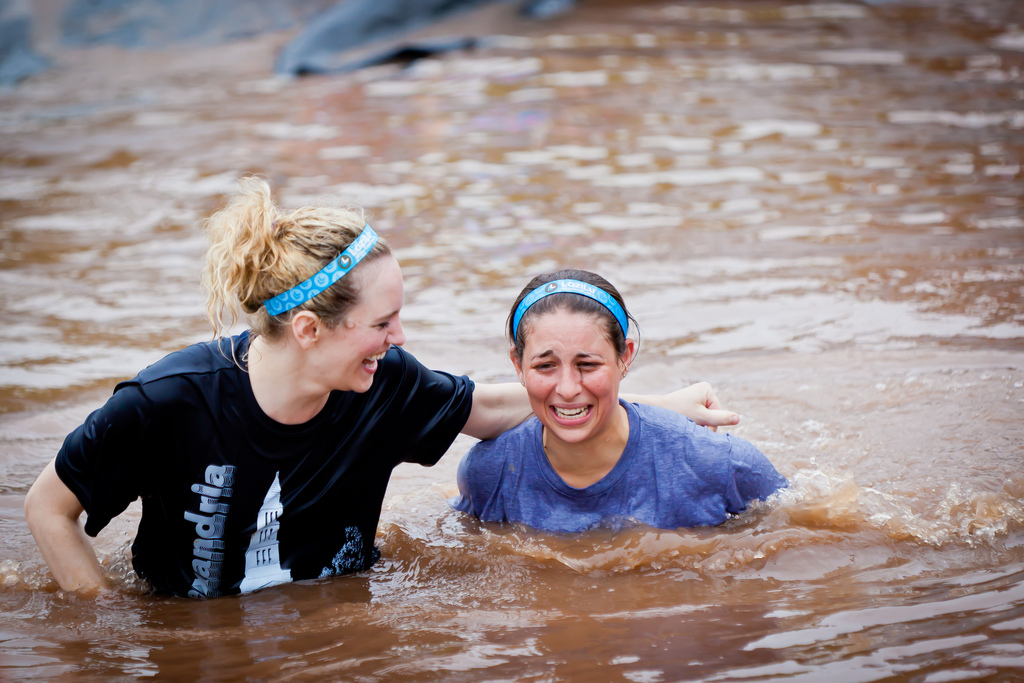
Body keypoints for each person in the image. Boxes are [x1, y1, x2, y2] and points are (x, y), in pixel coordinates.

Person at [24, 178, 738, 599]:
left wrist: (647, 407)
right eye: (383, 321)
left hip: (334, 611)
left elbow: (486, 406)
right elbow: (48, 507)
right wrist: (106, 633)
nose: (398, 340)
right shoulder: (169, 400)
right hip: (192, 618)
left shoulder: (382, 382)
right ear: (308, 329)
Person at [451, 269, 787, 533]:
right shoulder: (488, 474)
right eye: (545, 366)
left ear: (624, 357)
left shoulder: (718, 465)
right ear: (517, 365)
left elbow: (802, 532)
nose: (567, 389)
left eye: (588, 365)